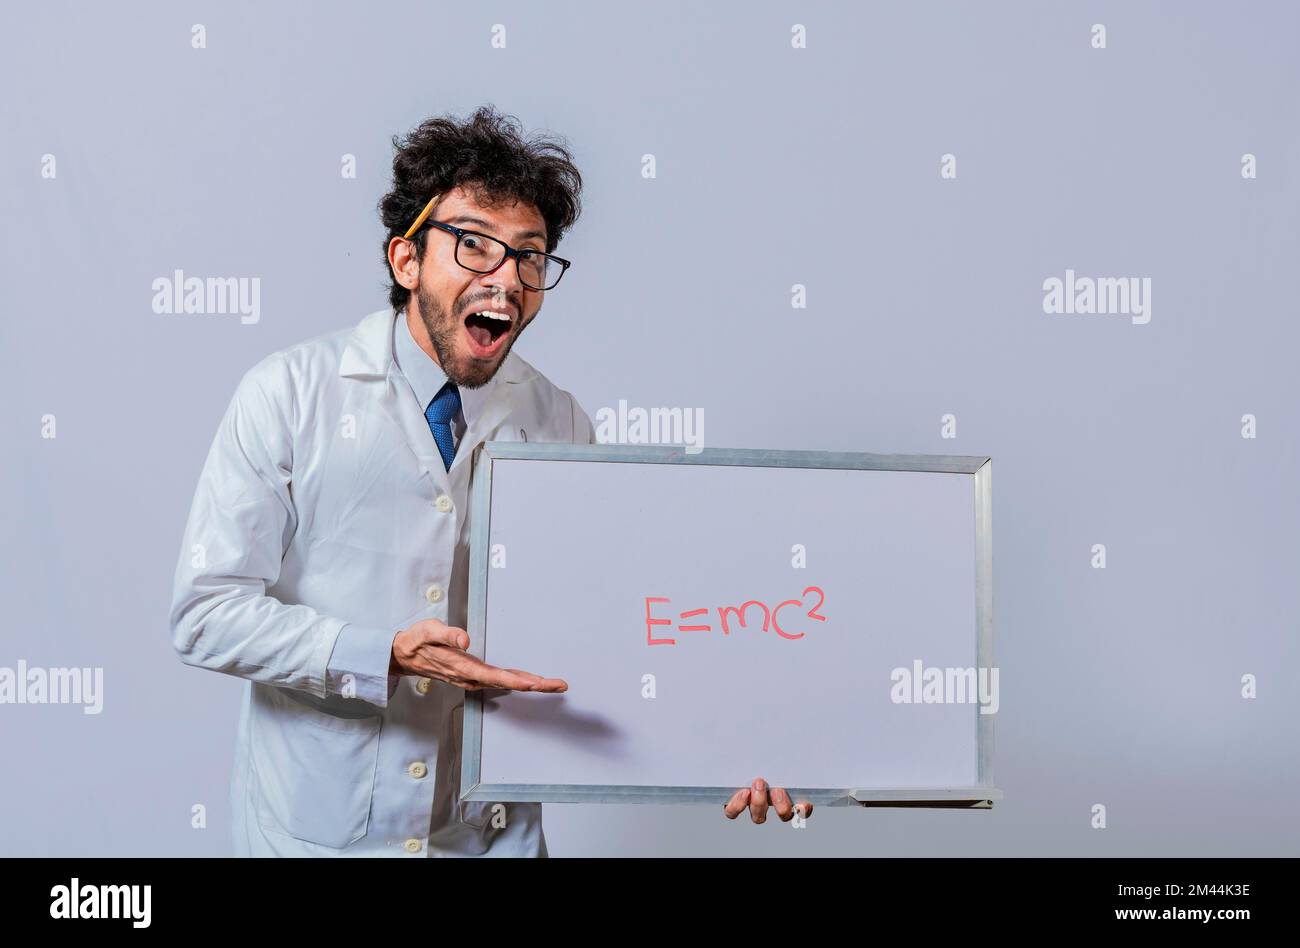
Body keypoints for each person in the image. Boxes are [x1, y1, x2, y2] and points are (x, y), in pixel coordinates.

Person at [169, 106, 812, 857]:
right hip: (316, 833)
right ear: (406, 260)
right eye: (474, 245)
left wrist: (735, 747)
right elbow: (205, 613)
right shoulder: (289, 394)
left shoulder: (559, 421)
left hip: (489, 839)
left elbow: (617, 632)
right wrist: (381, 653)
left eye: (529, 256)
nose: (505, 278)